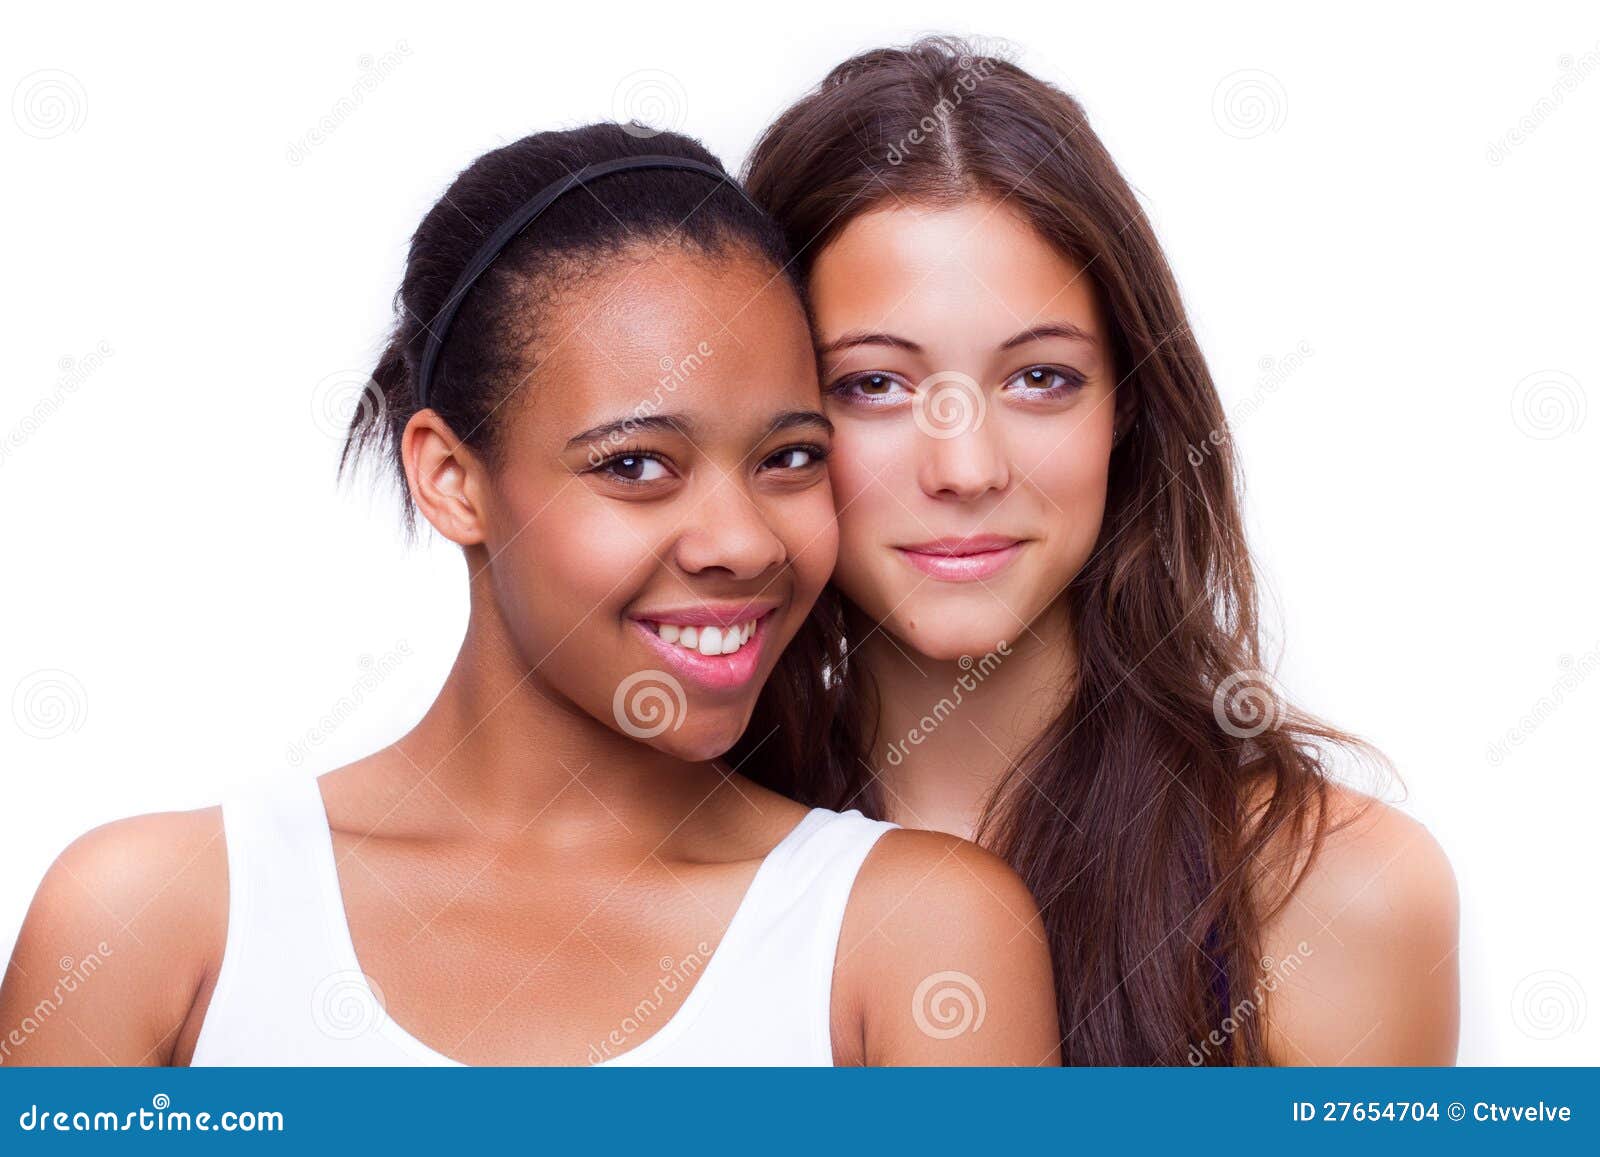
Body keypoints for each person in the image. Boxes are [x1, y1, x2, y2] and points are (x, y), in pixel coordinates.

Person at [0, 124, 1058, 1067]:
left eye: (788, 456)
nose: (741, 540)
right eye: (636, 465)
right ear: (450, 478)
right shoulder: (152, 916)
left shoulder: (915, 934)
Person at [736, 38, 1459, 1065]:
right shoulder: (652, 860)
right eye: (874, 384)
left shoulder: (1336, 889)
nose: (966, 467)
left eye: (1038, 378)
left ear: (1129, 409)